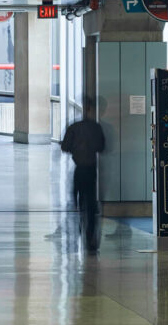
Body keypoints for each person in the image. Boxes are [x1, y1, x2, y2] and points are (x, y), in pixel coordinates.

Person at [60, 97, 106, 253]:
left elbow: (64, 147)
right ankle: (90, 234)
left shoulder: (74, 127)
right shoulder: (96, 128)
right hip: (91, 169)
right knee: (91, 201)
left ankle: (80, 225)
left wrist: (76, 149)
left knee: (78, 198)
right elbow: (101, 147)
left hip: (79, 169)